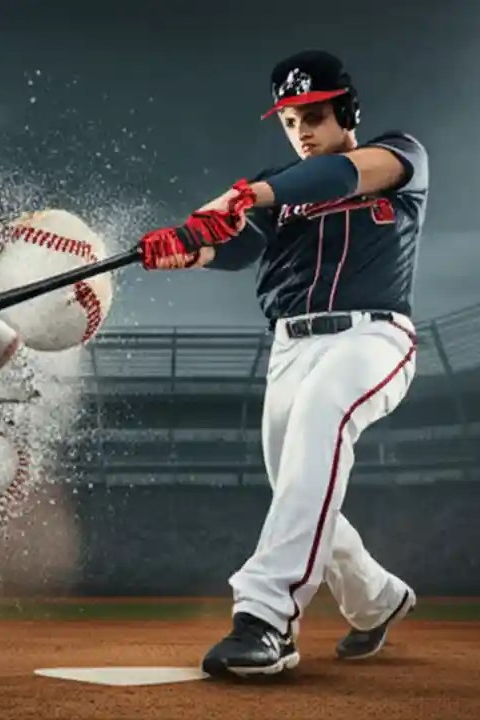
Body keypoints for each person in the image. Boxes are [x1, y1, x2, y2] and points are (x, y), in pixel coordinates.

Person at [137, 50, 428, 678]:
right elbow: (238, 249)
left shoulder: (397, 156)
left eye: (314, 114)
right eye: (290, 120)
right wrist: (187, 249)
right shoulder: (278, 192)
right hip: (291, 349)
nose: (301, 130)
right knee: (300, 482)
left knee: (321, 427)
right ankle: (377, 599)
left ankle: (266, 617)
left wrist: (241, 195)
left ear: (347, 108)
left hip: (369, 337)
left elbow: (338, 177)